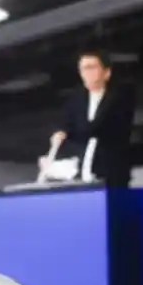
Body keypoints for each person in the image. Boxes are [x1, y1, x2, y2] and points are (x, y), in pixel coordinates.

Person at [45, 49, 135, 187]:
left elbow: (102, 129)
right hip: (84, 169)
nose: (86, 73)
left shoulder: (120, 98)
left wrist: (73, 133)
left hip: (111, 171)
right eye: (83, 69)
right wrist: (60, 133)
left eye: (91, 67)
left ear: (106, 73)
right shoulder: (76, 100)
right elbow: (65, 123)